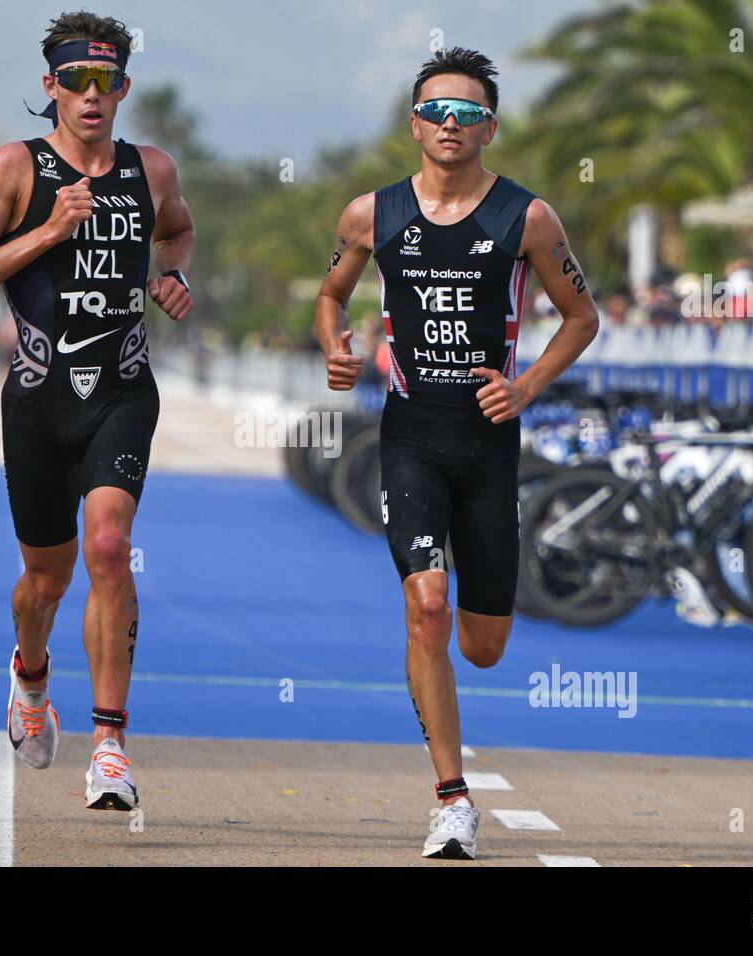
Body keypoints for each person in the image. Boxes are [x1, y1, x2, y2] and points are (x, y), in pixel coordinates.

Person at [314, 47, 598, 859]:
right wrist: (336, 348)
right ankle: (451, 798)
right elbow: (331, 295)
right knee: (426, 606)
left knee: (483, 644)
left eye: (468, 113)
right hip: (409, 435)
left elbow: (583, 317)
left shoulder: (527, 218)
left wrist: (528, 385)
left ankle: (458, 738)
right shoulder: (371, 214)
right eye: (438, 111)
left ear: (490, 129)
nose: (451, 123)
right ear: (414, 125)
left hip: (489, 447)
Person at [0, 10, 195, 811]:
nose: (92, 94)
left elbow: (178, 233)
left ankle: (110, 746)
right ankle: (30, 673)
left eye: (107, 80)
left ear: (123, 87)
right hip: (38, 401)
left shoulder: (151, 170)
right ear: (50, 86)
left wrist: (172, 275)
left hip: (121, 388)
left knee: (110, 547)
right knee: (44, 583)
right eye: (76, 80)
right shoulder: (13, 168)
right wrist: (47, 231)